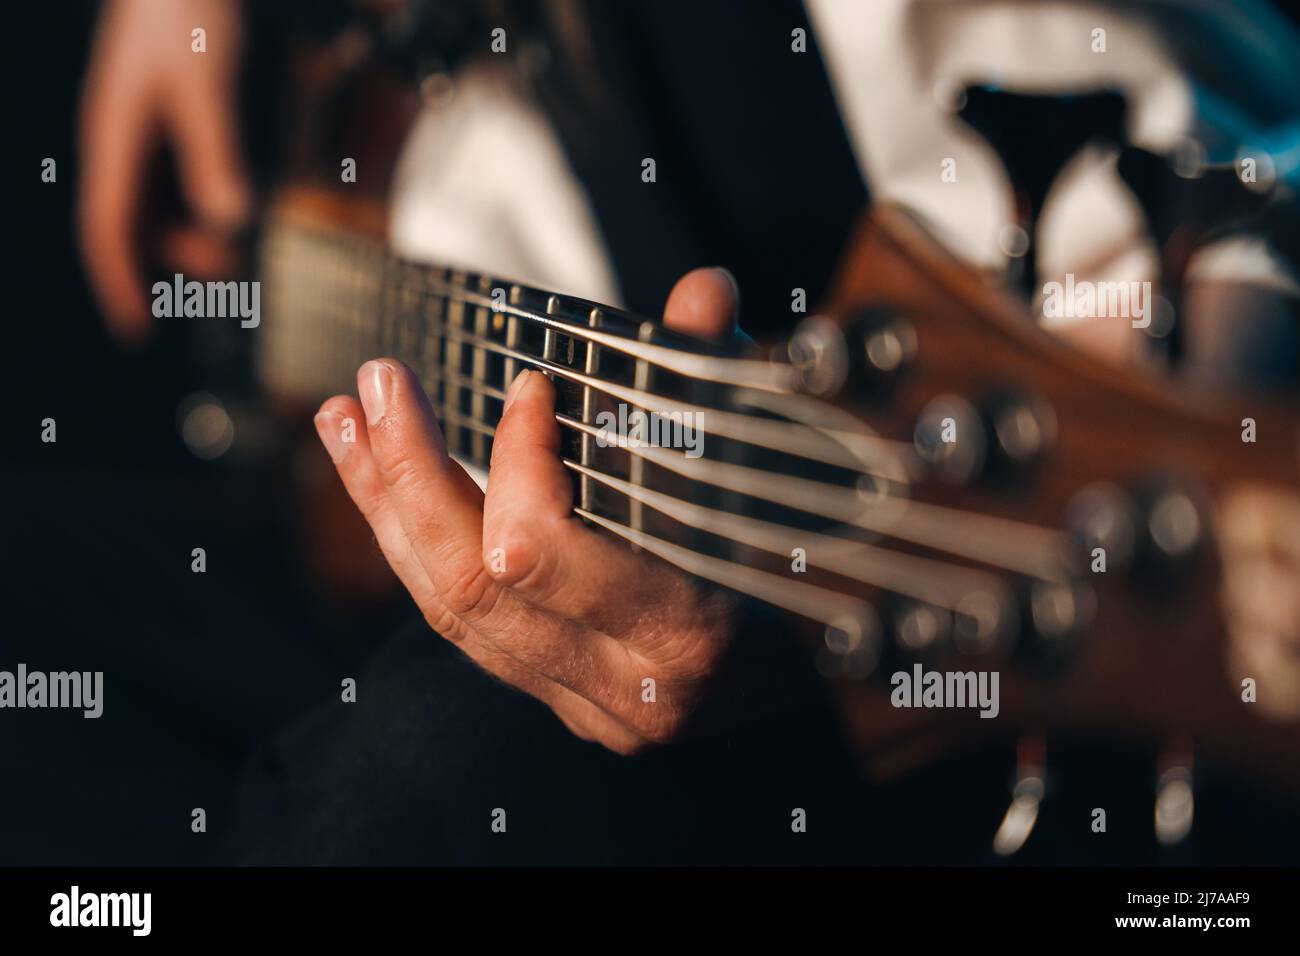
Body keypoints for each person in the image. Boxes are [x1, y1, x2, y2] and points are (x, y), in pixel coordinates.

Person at [69, 0, 1300, 864]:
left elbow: (1236, 172)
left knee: (407, 792)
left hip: (932, 610)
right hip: (382, 516)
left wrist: (1222, 333)